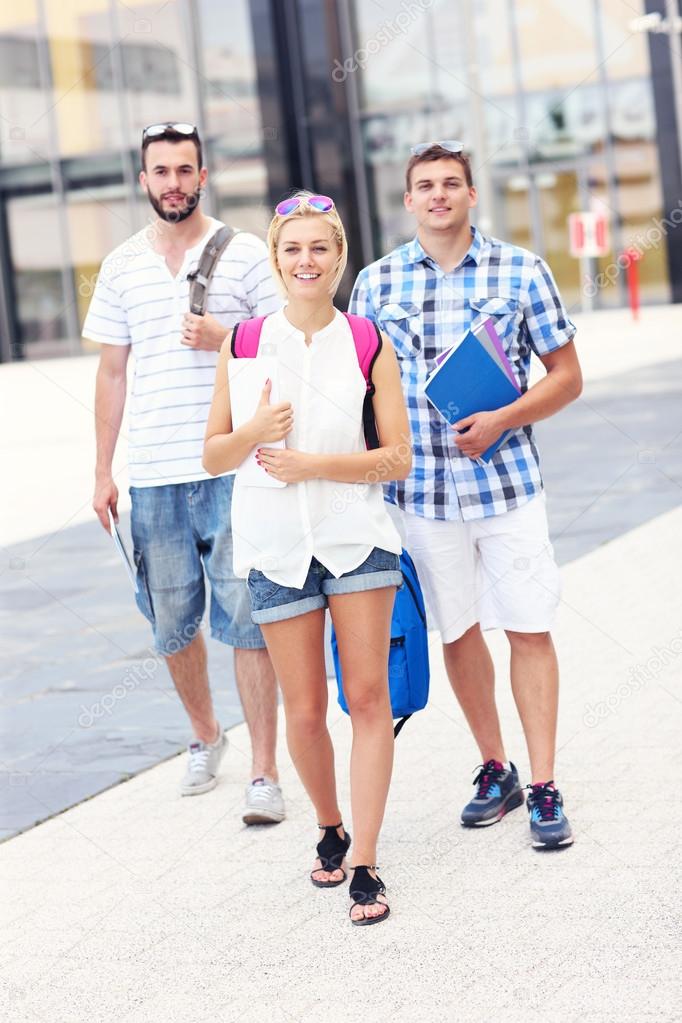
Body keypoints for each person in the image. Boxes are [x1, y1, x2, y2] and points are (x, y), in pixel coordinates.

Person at [349, 142, 583, 849]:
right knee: (457, 632)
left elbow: (567, 377)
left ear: (472, 194)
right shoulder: (375, 283)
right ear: (408, 200)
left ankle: (544, 784)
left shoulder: (522, 270)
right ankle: (495, 768)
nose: (439, 194)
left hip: (507, 488)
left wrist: (503, 418)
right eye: (425, 185)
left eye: (452, 183)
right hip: (420, 496)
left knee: (529, 626)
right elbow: (356, 391)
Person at [203, 191, 412, 923]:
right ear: (275, 258)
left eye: (320, 246)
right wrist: (254, 430)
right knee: (304, 709)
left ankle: (366, 860)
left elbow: (398, 458)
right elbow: (213, 455)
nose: (306, 260)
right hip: (275, 544)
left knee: (369, 698)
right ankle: (330, 825)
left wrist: (315, 464)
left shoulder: (367, 340)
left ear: (339, 255)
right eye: (292, 248)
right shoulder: (244, 341)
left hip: (357, 539)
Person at [87, 122, 286, 824]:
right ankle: (206, 734)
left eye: (184, 170)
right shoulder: (120, 266)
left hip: (232, 467)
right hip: (153, 476)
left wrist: (225, 337)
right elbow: (112, 373)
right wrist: (102, 470)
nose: (173, 183)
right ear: (143, 179)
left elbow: (288, 342)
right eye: (161, 172)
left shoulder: (248, 253)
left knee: (248, 620)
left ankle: (265, 771)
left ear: (203, 175)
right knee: (170, 622)